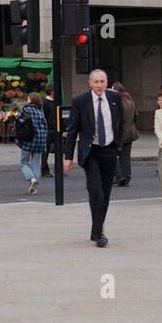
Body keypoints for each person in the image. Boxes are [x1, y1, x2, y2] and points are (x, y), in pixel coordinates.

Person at [65, 69, 125, 246]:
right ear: (90, 83)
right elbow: (72, 130)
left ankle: (96, 229)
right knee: (96, 191)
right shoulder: (80, 101)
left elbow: (120, 123)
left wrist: (119, 146)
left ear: (107, 83)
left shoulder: (115, 98)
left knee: (105, 193)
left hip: (109, 150)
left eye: (102, 82)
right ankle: (99, 234)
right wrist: (68, 157)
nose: (99, 85)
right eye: (96, 82)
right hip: (91, 151)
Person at [14, 93, 48, 195]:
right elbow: (45, 126)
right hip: (40, 140)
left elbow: (17, 123)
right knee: (36, 162)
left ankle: (32, 178)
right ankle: (34, 185)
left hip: (28, 139)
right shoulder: (40, 112)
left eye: (28, 98)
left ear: (30, 100)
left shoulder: (25, 110)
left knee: (24, 162)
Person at [112, 82, 138, 187]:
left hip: (119, 133)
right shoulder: (130, 102)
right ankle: (126, 177)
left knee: (112, 154)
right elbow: (135, 116)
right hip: (130, 132)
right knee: (125, 157)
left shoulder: (116, 103)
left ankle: (119, 175)